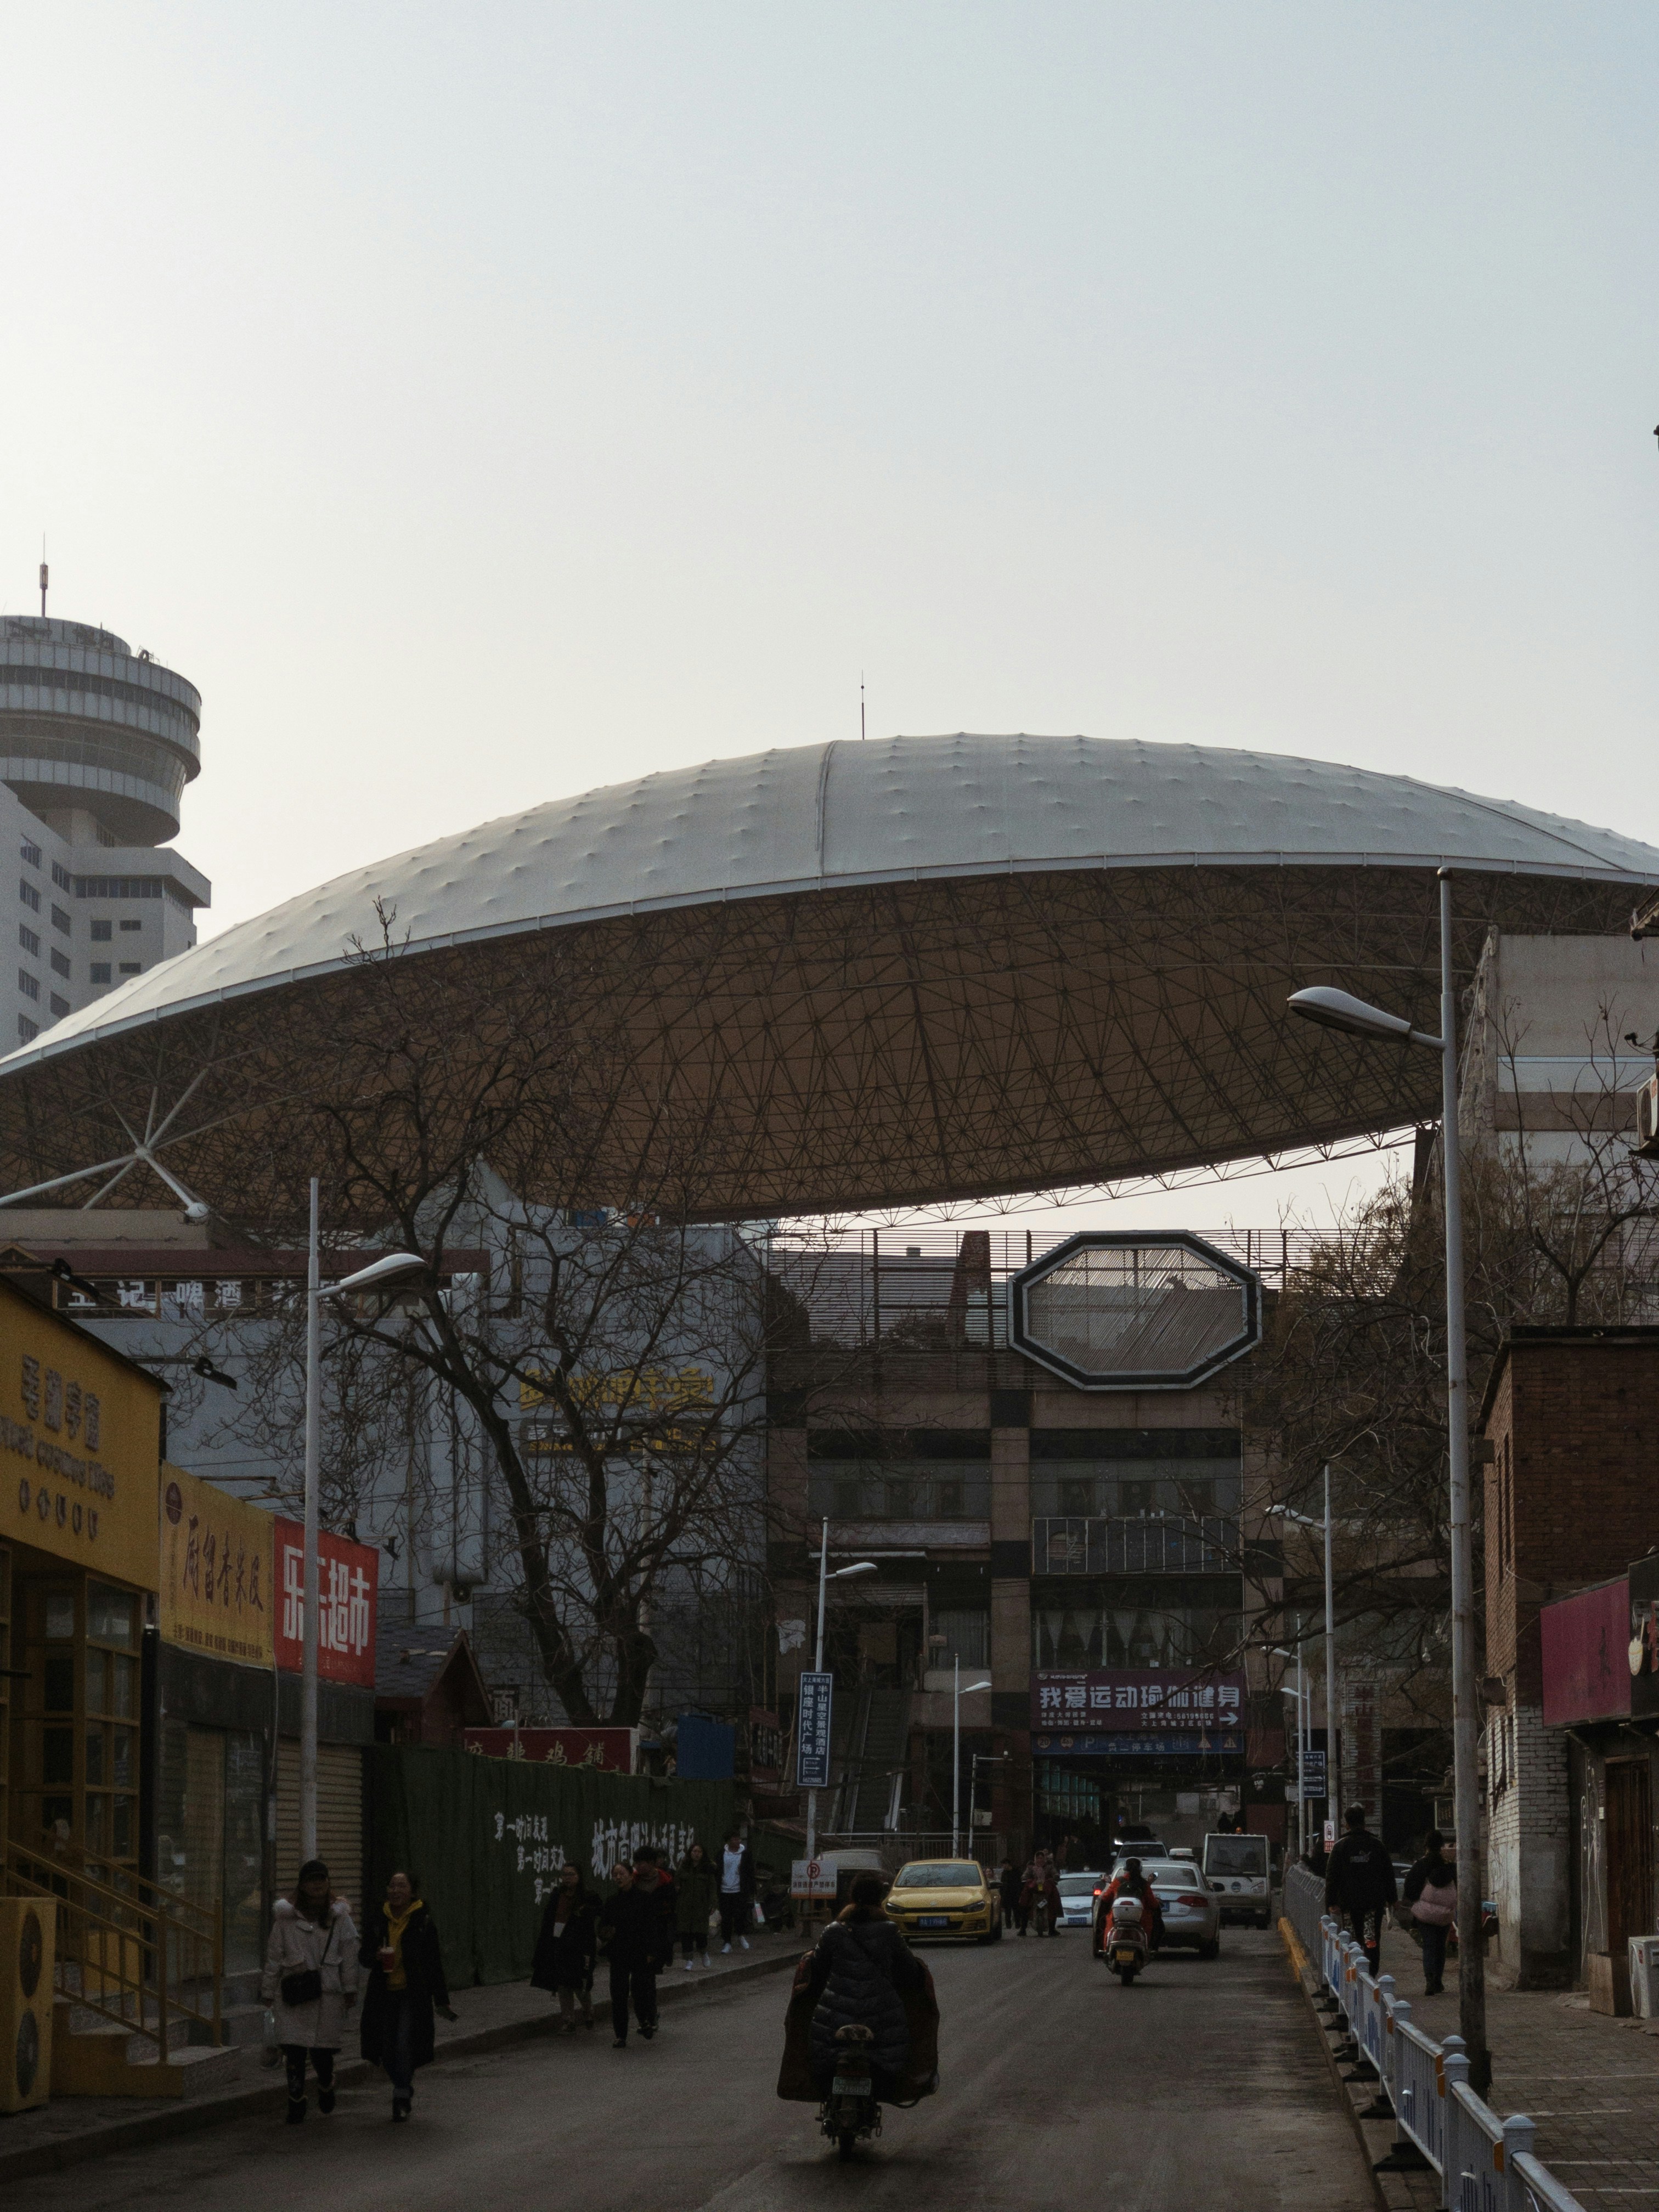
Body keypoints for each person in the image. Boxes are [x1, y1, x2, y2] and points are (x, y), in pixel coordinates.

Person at [805, 1871, 927, 2101]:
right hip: (882, 2016)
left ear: (851, 1896)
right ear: (879, 1898)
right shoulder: (890, 1931)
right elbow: (909, 1970)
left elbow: (816, 1969)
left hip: (834, 2016)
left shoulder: (833, 1931)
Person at [262, 1858, 359, 2124]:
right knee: (293, 2051)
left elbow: (350, 1956)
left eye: (322, 1879)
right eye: (311, 1880)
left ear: (328, 1883)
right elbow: (274, 1958)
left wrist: (350, 1989)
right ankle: (296, 2101)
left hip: (328, 1995)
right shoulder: (285, 1920)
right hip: (294, 1995)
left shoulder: (340, 1918)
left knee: (322, 2053)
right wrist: (267, 1992)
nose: (317, 1884)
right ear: (302, 1885)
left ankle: (326, 2084)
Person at [359, 1869, 457, 2120]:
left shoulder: (422, 1921)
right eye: (392, 1886)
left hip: (411, 1994)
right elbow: (364, 1956)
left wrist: (441, 1999)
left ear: (412, 1892)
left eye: (402, 1886)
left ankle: (401, 2093)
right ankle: (402, 2083)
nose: (396, 1891)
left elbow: (433, 1963)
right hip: (383, 1994)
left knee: (404, 2043)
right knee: (385, 2048)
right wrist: (375, 1956)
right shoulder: (379, 1919)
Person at [1323, 1804, 1397, 1977]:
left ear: (1346, 1824)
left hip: (1348, 1905)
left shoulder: (1340, 1847)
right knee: (1370, 1940)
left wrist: (1332, 1902)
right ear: (1364, 1822)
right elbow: (1388, 1874)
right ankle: (1370, 1975)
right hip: (1372, 1905)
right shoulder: (1377, 1845)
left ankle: (1353, 1974)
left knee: (1351, 1941)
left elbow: (1332, 1877)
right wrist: (1392, 1899)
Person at [599, 1860, 662, 2047]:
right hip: (618, 1953)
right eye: (615, 1875)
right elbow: (603, 1926)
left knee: (639, 1991)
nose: (618, 1877)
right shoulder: (612, 1902)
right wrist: (605, 1932)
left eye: (622, 1874)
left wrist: (651, 1951)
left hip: (640, 1952)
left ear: (631, 1876)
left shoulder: (644, 1899)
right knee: (618, 1995)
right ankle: (620, 2035)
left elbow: (652, 1927)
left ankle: (644, 2020)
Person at [531, 1861, 600, 2029]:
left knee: (579, 1983)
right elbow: (549, 1919)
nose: (567, 1878)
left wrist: (584, 1911)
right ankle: (568, 2020)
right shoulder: (557, 1895)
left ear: (579, 1876)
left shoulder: (587, 1896)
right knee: (562, 1984)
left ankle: (588, 2011)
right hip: (559, 1943)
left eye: (571, 1874)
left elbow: (598, 1912)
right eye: (565, 1875)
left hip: (578, 1946)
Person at [1402, 1830, 1457, 1996]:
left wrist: (1417, 1899)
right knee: (1441, 1947)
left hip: (1425, 1914)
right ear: (1441, 1846)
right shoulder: (1449, 1866)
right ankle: (1438, 1981)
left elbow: (1410, 1888)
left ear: (1426, 1846)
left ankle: (1430, 1980)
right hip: (1445, 1914)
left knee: (1429, 1946)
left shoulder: (1421, 1865)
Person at [1093, 1857, 1163, 1960]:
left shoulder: (1118, 1881)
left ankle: (1102, 1948)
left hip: (1116, 1920)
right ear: (1140, 1869)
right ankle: (1152, 1949)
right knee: (1159, 1925)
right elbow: (1153, 1904)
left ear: (1125, 1869)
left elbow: (1105, 1898)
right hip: (1142, 1922)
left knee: (1102, 1922)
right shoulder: (1144, 1884)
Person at [676, 1842, 719, 1969]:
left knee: (701, 1933)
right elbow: (677, 1883)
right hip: (685, 1905)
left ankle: (703, 1952)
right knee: (686, 1933)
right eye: (694, 1851)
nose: (697, 1854)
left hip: (701, 1906)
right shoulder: (684, 1867)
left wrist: (713, 1903)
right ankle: (689, 1960)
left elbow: (712, 1887)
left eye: (699, 1852)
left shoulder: (707, 1869)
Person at [718, 1828, 755, 1953]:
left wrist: (751, 1889)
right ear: (728, 1841)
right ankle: (727, 1942)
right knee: (726, 1917)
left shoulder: (745, 1854)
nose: (737, 1841)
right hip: (724, 1890)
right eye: (734, 1839)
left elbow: (750, 1872)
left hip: (739, 1890)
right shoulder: (722, 1854)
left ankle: (741, 1936)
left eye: (738, 1839)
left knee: (740, 1915)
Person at [1019, 1850, 1061, 1936]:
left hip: (1047, 1892)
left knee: (1054, 1904)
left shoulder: (1050, 1867)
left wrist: (1055, 1877)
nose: (1040, 1860)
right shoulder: (1031, 1868)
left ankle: (1052, 1929)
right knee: (1024, 1904)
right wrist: (1025, 1878)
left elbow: (1055, 1873)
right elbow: (1025, 1875)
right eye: (1038, 1858)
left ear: (1044, 1859)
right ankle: (1023, 1929)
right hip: (1033, 1892)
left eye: (1041, 1858)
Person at [997, 1859, 1022, 1932]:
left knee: (1016, 1911)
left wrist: (1020, 1893)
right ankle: (1008, 1927)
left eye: (1003, 1865)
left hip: (1015, 1894)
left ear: (1007, 1864)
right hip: (1006, 1895)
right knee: (1007, 1913)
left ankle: (1018, 1926)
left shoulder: (1017, 1872)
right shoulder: (1004, 1873)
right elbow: (1002, 1885)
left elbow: (1020, 1883)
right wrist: (1002, 1895)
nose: (1003, 1867)